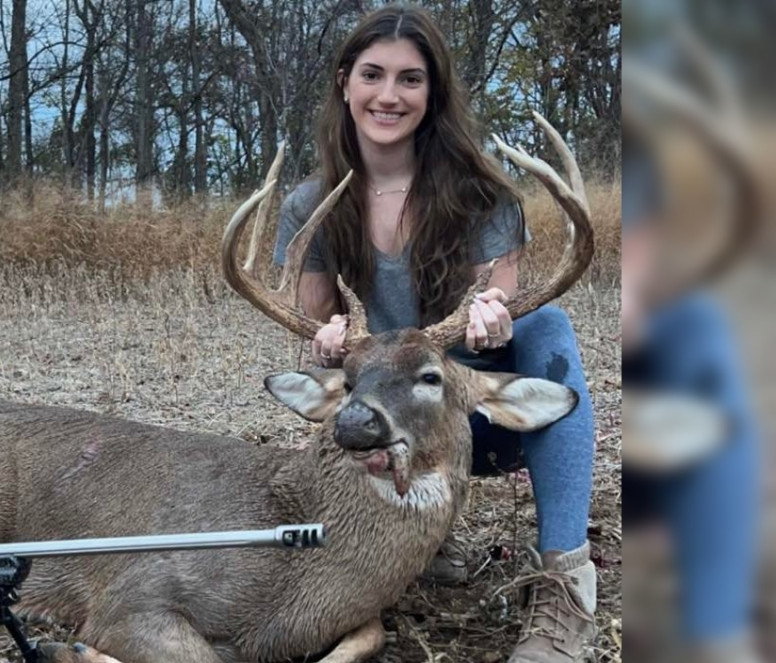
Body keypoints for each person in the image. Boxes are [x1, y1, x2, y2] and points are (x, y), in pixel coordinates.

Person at [272, 7, 597, 662]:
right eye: (373, 74)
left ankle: (566, 583)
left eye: (410, 79)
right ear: (344, 82)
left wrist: (493, 318)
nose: (389, 95)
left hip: (462, 417)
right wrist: (328, 341)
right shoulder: (311, 206)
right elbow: (322, 332)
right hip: (377, 424)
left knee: (546, 326)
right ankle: (419, 531)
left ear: (432, 93)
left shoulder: (481, 196)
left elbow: (498, 302)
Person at [620, 128, 762, 662]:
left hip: (663, 480)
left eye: (640, 240)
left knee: (698, 331)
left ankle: (717, 629)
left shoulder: (688, 323)